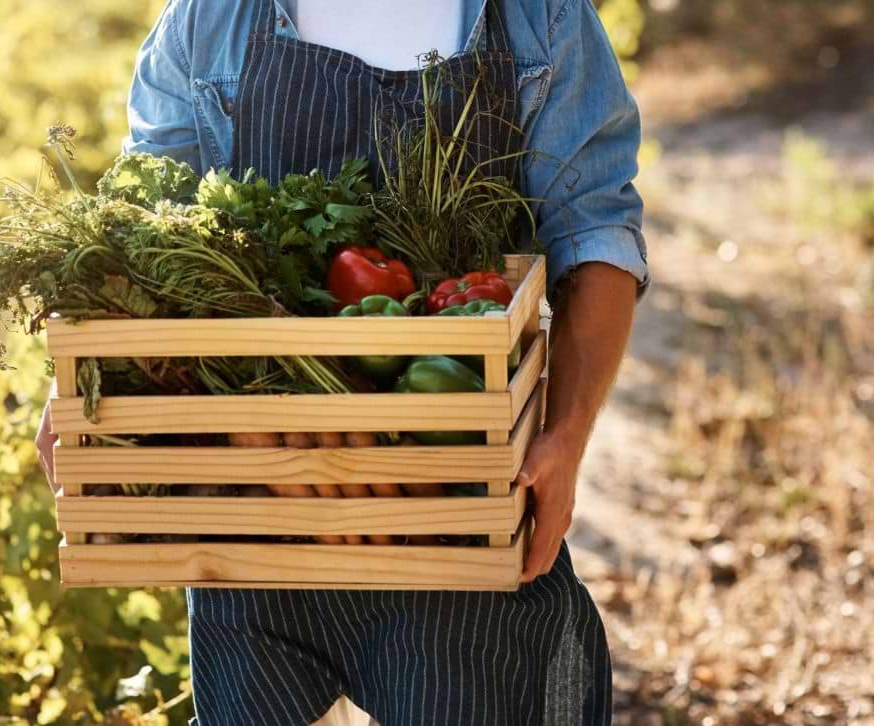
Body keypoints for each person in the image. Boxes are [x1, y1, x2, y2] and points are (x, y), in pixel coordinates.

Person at [36, 0, 649, 723]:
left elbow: (595, 229)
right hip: (256, 526)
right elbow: (143, 229)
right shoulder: (211, 18)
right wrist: (80, 385)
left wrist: (566, 437)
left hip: (458, 519)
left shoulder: (537, 19)